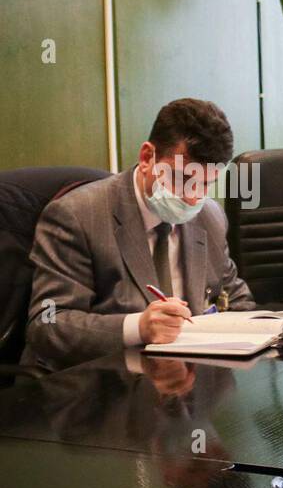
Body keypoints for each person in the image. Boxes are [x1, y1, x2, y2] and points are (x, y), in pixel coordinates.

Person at [23, 98, 254, 372]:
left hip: (186, 385)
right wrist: (138, 328)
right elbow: (48, 324)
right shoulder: (76, 216)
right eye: (182, 180)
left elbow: (237, 300)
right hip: (98, 387)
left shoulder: (210, 217)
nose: (193, 199)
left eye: (206, 184)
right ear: (147, 158)